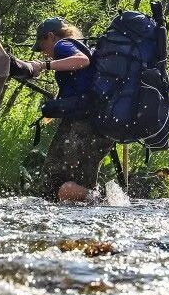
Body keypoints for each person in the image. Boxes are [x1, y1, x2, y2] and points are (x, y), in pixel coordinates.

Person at [27, 17, 113, 203]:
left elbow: (82, 61)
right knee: (58, 184)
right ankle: (100, 201)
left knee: (62, 185)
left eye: (42, 46)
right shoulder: (73, 45)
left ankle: (105, 201)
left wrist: (44, 66)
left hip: (85, 126)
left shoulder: (62, 45)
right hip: (89, 124)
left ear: (50, 36)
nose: (44, 53)